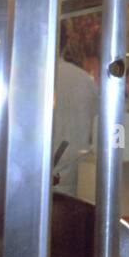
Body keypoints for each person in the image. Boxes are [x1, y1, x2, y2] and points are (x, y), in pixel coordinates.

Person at [52, 55, 98, 196]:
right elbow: (98, 127)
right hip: (75, 178)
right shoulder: (85, 80)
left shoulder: (30, 76)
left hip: (33, 179)